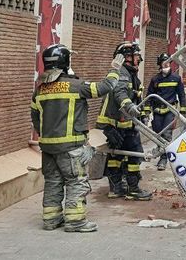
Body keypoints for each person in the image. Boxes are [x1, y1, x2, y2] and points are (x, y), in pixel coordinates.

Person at [31, 44, 124, 232]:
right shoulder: (76, 86)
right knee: (76, 182)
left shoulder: (39, 91)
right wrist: (114, 69)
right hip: (71, 147)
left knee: (53, 182)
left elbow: (36, 119)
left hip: (48, 147)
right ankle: (75, 221)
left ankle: (51, 219)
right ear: (65, 63)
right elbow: (105, 87)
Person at [96, 41, 152, 201]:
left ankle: (116, 188)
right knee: (134, 154)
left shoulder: (128, 73)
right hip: (119, 124)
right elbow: (120, 93)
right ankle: (133, 189)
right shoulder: (122, 73)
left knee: (116, 156)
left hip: (119, 123)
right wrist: (129, 106)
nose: (139, 59)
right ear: (127, 57)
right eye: (136, 56)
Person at [143, 53, 186, 171]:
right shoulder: (155, 79)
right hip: (157, 111)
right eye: (164, 63)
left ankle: (163, 159)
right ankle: (160, 151)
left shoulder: (176, 78)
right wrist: (147, 111)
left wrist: (183, 110)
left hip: (170, 110)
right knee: (157, 134)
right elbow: (149, 96)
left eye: (167, 63)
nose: (166, 65)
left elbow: (181, 95)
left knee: (166, 134)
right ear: (160, 65)